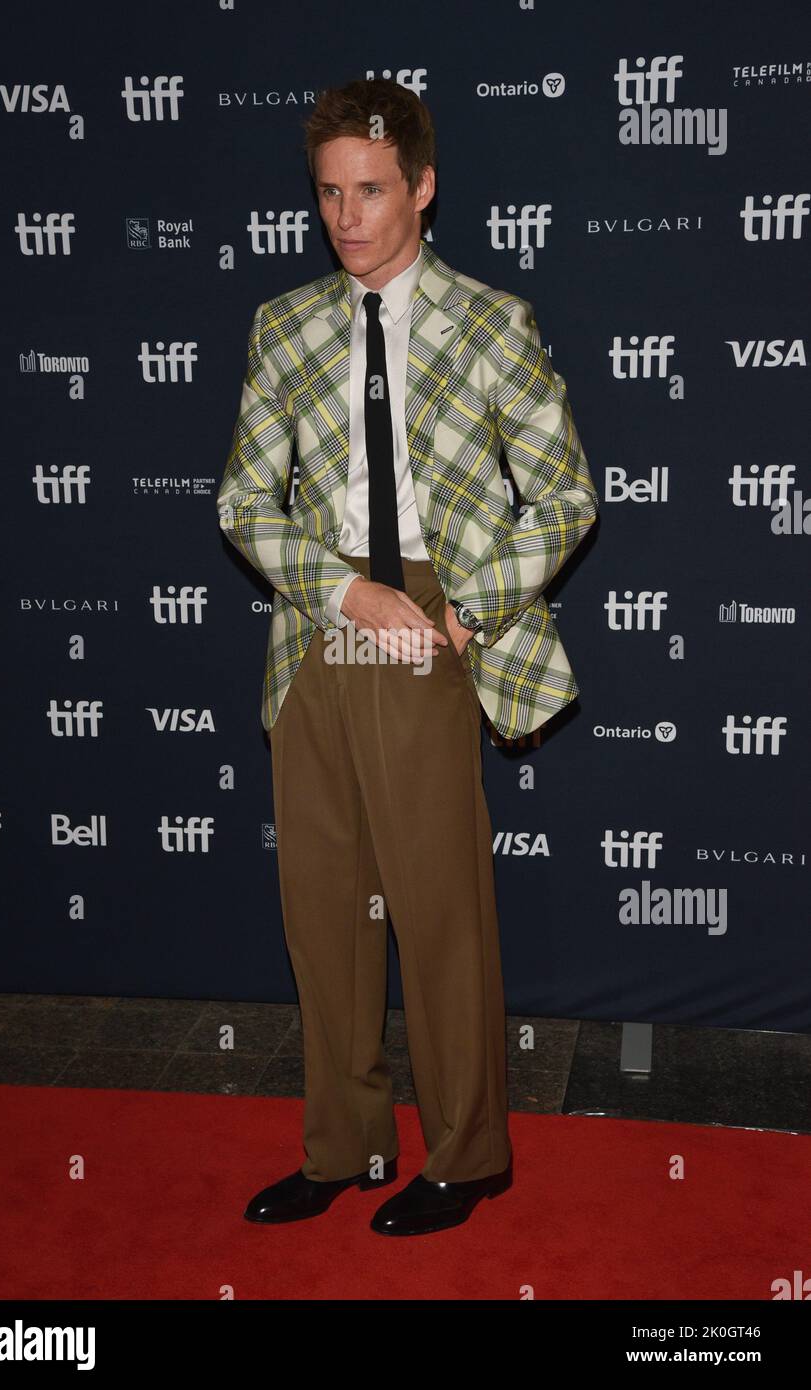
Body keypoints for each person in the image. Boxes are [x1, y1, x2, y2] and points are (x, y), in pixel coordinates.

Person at [216, 77, 599, 1237]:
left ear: (423, 188)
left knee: (437, 909)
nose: (347, 216)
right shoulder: (285, 326)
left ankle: (470, 1154)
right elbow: (243, 496)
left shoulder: (490, 321)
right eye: (330, 193)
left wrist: (465, 608)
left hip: (435, 624)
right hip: (318, 625)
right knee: (323, 910)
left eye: (371, 191)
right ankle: (344, 1144)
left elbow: (568, 491)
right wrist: (342, 589)